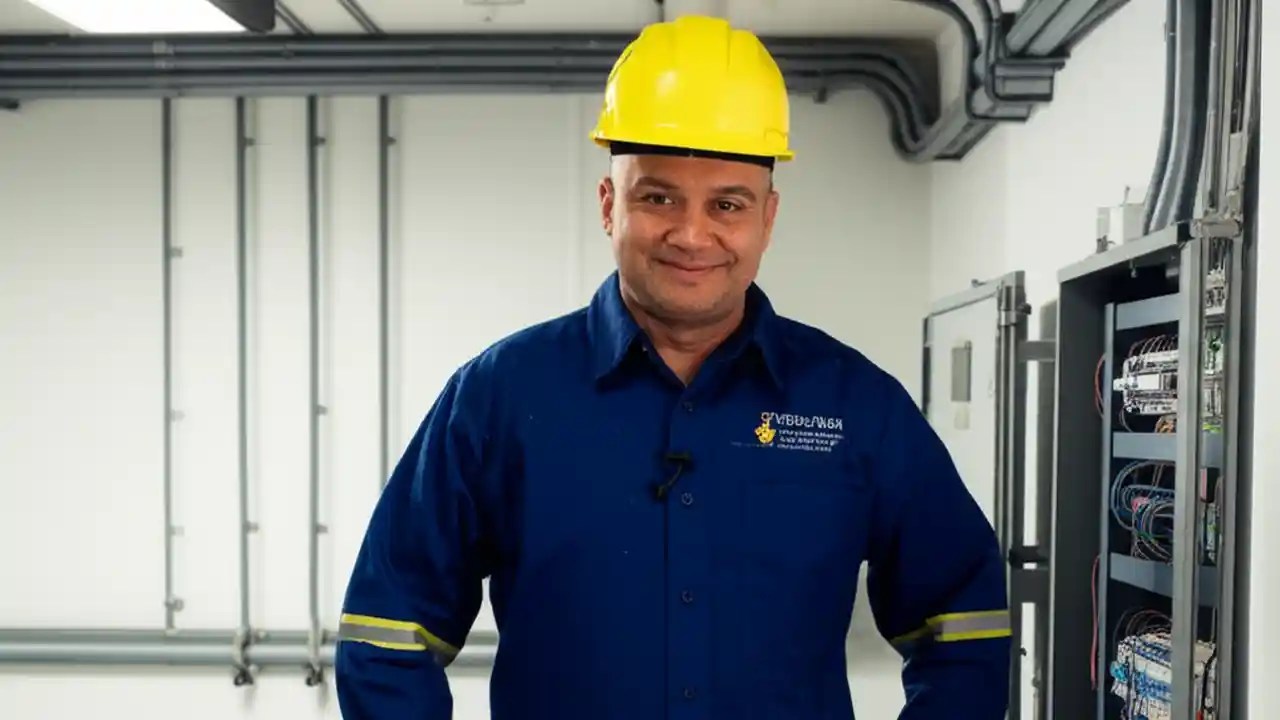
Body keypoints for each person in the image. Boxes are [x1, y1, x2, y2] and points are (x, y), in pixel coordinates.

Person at [334, 14, 1011, 720]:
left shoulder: (858, 407)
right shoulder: (499, 397)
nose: (692, 235)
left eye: (727, 204)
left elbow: (962, 621)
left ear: (767, 218)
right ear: (608, 205)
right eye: (658, 197)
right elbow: (388, 631)